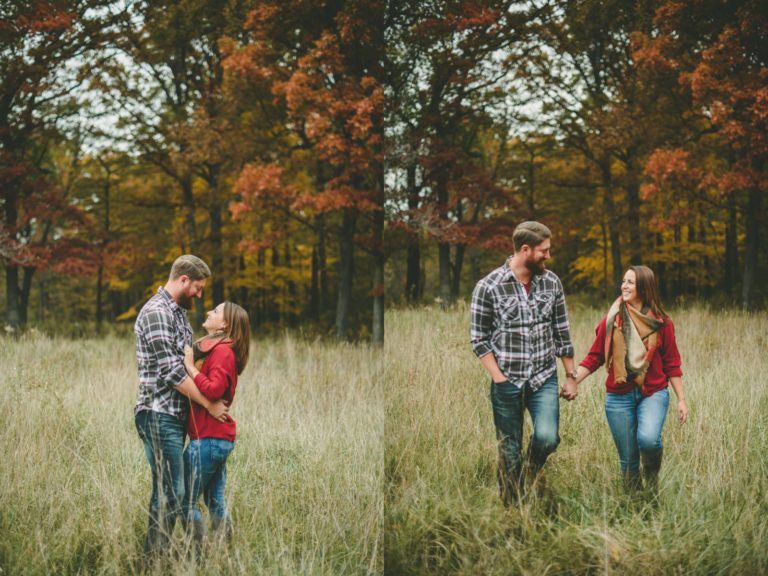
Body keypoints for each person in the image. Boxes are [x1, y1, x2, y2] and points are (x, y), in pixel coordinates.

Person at [470, 221, 578, 506]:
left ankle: (531, 472)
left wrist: (571, 376)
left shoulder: (551, 283)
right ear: (526, 249)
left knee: (547, 438)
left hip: (544, 378)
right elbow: (479, 339)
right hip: (507, 379)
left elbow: (562, 332)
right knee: (509, 450)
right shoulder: (489, 286)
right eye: (544, 251)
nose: (548, 256)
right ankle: (513, 510)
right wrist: (499, 379)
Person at [134, 255, 229, 562]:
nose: (199, 295)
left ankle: (161, 557)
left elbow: (191, 358)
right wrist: (209, 405)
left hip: (175, 417)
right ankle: (156, 561)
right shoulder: (157, 312)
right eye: (198, 288)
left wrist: (229, 339)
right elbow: (172, 372)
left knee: (170, 490)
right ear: (184, 280)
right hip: (157, 414)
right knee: (172, 491)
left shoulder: (178, 315)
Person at [571, 265, 688, 492]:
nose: (624, 286)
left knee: (649, 441)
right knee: (628, 460)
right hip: (618, 396)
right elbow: (595, 357)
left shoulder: (662, 323)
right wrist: (572, 380)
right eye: (624, 281)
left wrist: (681, 400)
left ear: (644, 287)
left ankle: (652, 480)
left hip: (653, 393)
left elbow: (672, 363)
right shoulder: (612, 319)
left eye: (630, 282)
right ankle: (634, 504)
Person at [182, 301, 250, 546]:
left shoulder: (222, 351)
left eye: (216, 311)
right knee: (215, 500)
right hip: (216, 439)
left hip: (209, 439)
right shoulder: (220, 349)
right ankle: (224, 551)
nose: (210, 311)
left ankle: (197, 554)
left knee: (185, 501)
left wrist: (190, 367)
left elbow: (214, 389)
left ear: (225, 324)